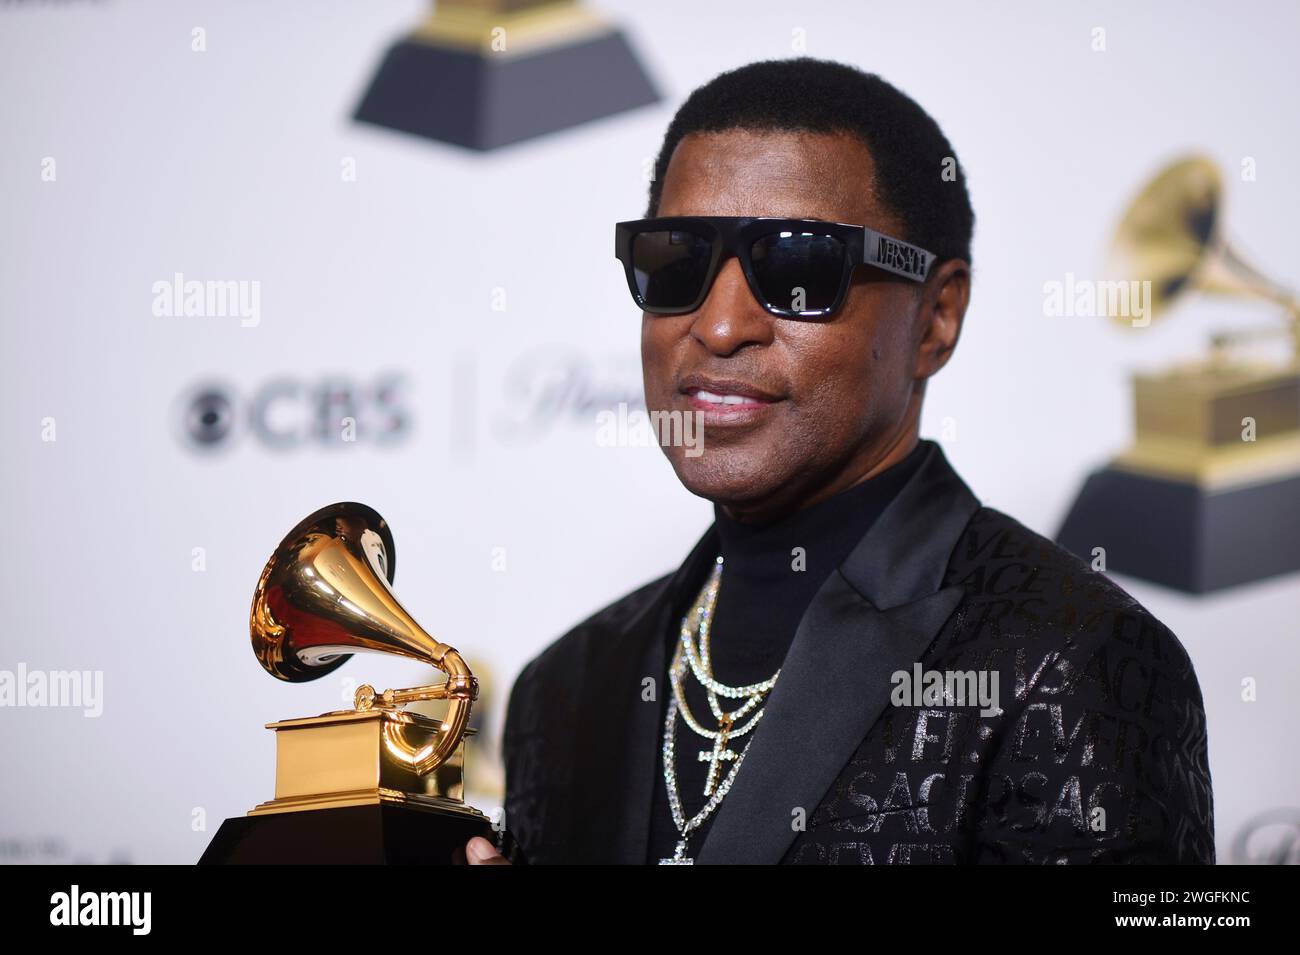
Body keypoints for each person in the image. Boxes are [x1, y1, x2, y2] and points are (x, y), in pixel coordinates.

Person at [465, 57, 1214, 865]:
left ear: (937, 317)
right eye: (677, 259)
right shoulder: (565, 689)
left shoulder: (1071, 658)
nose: (719, 327)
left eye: (796, 267)